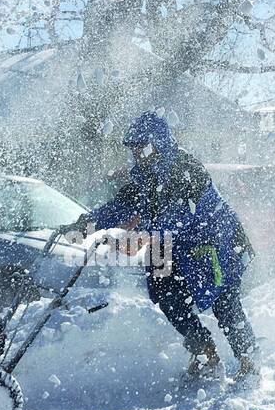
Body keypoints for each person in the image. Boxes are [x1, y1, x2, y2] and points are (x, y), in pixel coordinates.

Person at [75, 111, 258, 382]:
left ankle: (248, 362)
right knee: (166, 295)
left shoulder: (186, 170)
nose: (136, 154)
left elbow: (178, 218)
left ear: (156, 144)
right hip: (174, 246)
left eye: (141, 148)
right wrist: (86, 223)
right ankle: (205, 353)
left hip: (217, 242)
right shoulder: (144, 175)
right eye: (133, 149)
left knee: (224, 301)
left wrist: (137, 236)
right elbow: (121, 205)